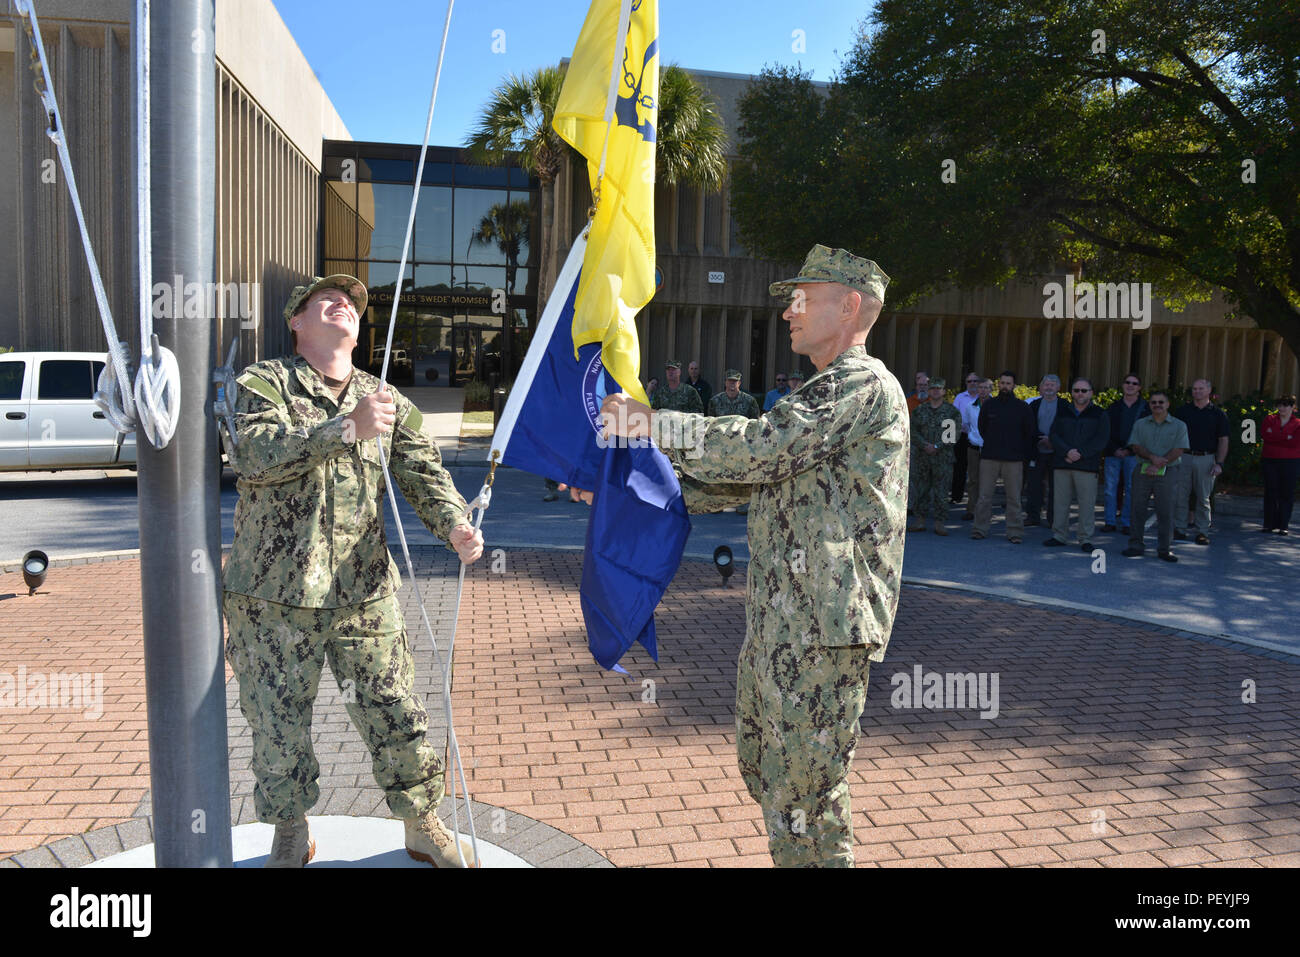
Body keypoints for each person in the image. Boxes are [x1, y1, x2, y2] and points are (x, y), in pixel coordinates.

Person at [601, 244, 907, 867]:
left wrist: (654, 424)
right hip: (783, 621)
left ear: (850, 306)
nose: (790, 312)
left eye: (805, 298)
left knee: (805, 790)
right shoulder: (822, 391)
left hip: (823, 629)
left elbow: (764, 447)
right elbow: (745, 480)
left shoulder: (861, 384)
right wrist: (618, 488)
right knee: (768, 769)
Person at [223, 275, 486, 868]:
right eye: (326, 299)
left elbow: (423, 469)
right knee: (276, 724)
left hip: (362, 592)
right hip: (271, 598)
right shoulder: (264, 383)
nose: (343, 304)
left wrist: (454, 526)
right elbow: (252, 453)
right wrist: (345, 428)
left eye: (352, 303)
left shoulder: (383, 397)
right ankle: (290, 830)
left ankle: (422, 824)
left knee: (395, 708)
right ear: (297, 322)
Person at [1122, 390, 1189, 562]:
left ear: (1168, 404)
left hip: (1169, 471)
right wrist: (1152, 459)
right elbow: (1135, 446)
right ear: (1149, 405)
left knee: (1165, 510)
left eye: (1161, 402)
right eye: (1153, 402)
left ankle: (1165, 549)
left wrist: (1160, 462)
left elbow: (1179, 449)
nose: (1157, 405)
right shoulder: (1140, 424)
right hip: (1143, 469)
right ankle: (1135, 545)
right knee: (1137, 507)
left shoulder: (1179, 425)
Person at [1043, 378, 1109, 550]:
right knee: (1060, 503)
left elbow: (1101, 440)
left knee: (1086, 505)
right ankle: (1059, 535)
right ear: (1072, 392)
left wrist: (1080, 454)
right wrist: (1067, 452)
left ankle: (1085, 539)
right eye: (1076, 390)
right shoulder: (1063, 411)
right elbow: (1054, 435)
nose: (1080, 393)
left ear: (1091, 393)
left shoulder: (1100, 414)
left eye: (1084, 390)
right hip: (1062, 464)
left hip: (1086, 466)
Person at [971, 371, 1035, 543]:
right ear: (998, 384)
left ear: (1014, 386)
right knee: (984, 496)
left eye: (1008, 383)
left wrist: (1019, 451)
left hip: (1013, 460)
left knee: (1014, 498)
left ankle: (1015, 532)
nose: (1005, 386)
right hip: (990, 457)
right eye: (1002, 383)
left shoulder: (1022, 408)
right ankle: (979, 529)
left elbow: (1029, 433)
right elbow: (982, 428)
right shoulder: (989, 405)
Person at [1173, 379, 1230, 544]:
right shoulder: (1183, 411)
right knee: (1180, 495)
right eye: (1194, 388)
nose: (1197, 391)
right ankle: (1180, 528)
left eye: (1200, 389)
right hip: (1184, 457)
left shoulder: (1218, 414)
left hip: (1206, 459)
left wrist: (1219, 463)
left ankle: (1202, 531)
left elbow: (1223, 440)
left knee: (1203, 497)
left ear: (1209, 391)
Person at [910, 377, 959, 535]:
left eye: (939, 388)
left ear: (944, 391)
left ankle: (940, 523)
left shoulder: (951, 411)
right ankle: (920, 521)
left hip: (942, 458)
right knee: (921, 489)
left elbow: (952, 435)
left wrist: (936, 446)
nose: (935, 391)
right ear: (929, 391)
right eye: (933, 388)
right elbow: (913, 430)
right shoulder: (920, 410)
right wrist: (925, 445)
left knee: (941, 491)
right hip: (922, 457)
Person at [1103, 373, 1149, 534]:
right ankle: (1109, 521)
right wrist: (1115, 449)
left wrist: (1130, 449)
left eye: (1134, 383)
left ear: (1139, 388)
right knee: (1110, 489)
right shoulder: (1113, 407)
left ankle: (1127, 522)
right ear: (1123, 385)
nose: (1130, 385)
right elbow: (1105, 432)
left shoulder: (1145, 409)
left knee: (1131, 489)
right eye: (1127, 382)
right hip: (1113, 453)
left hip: (1135, 455)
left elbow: (1147, 434)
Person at [1024, 374, 1066, 527]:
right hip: (1037, 451)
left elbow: (1067, 429)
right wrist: (1040, 439)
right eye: (1046, 385)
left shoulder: (1065, 406)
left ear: (1058, 388)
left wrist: (1052, 441)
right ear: (1041, 387)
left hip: (1057, 452)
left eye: (1052, 385)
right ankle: (1033, 516)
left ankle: (1053, 519)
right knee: (1034, 485)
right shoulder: (1033, 405)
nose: (1049, 387)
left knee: (1056, 487)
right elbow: (1028, 427)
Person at [1261, 395, 1300, 534]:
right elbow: (1265, 436)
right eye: (1279, 405)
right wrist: (1285, 438)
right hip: (1270, 459)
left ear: (1292, 407)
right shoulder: (1269, 419)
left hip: (1291, 461)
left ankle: (1283, 525)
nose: (1282, 408)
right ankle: (1268, 524)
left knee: (1286, 492)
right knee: (1270, 491)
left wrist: (1276, 437)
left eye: (1285, 405)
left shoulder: (1298, 423)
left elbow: (1295, 442)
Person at [960, 378, 991, 520]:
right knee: (973, 480)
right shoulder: (970, 406)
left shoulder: (995, 406)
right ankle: (971, 509)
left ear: (991, 390)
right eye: (981, 387)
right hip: (973, 447)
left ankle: (985, 510)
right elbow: (965, 425)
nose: (983, 390)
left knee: (987, 480)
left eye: (986, 387)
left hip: (989, 448)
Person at [951, 373, 981, 505]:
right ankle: (956, 496)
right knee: (959, 467)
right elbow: (952, 416)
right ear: (966, 383)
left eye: (975, 381)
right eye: (970, 381)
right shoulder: (960, 397)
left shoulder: (985, 397)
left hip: (980, 437)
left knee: (978, 470)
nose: (973, 383)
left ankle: (976, 499)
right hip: (962, 435)